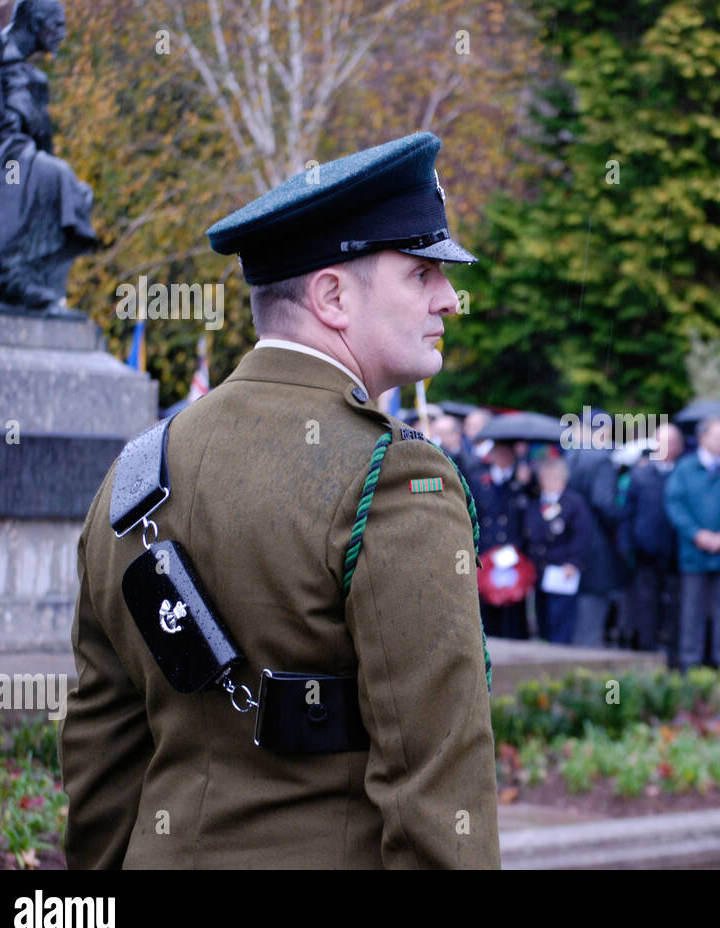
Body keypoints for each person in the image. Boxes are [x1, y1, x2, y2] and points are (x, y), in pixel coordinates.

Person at [59, 133, 500, 868]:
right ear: (332, 295)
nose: (450, 299)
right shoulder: (395, 476)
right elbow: (438, 785)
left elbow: (101, 761)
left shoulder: (136, 472)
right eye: (422, 273)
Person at [664, 417, 720, 669]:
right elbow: (675, 505)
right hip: (694, 554)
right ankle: (690, 664)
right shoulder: (684, 468)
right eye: (718, 436)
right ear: (703, 438)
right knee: (692, 611)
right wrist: (697, 534)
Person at [622, 422, 685, 662]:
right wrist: (627, 546)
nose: (664, 448)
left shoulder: (684, 473)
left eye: (669, 443)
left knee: (675, 607)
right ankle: (646, 654)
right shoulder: (640, 475)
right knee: (646, 605)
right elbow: (627, 514)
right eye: (660, 442)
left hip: (677, 554)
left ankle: (673, 656)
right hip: (645, 553)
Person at [566, 414, 622, 647]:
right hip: (596, 544)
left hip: (570, 542)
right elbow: (605, 503)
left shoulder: (570, 456)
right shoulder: (601, 459)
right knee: (591, 617)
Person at [523, 457, 592, 646]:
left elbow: (582, 536)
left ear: (563, 479)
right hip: (540, 569)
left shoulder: (574, 503)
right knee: (542, 617)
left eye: (554, 477)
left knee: (560, 620)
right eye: (545, 477)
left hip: (562, 570)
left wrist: (574, 562)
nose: (548, 482)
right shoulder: (535, 503)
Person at [471, 438, 532, 639]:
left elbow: (530, 513)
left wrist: (523, 484)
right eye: (499, 453)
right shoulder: (479, 480)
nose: (503, 457)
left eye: (507, 453)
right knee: (488, 603)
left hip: (514, 551)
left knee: (514, 608)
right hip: (488, 550)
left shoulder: (524, 480)